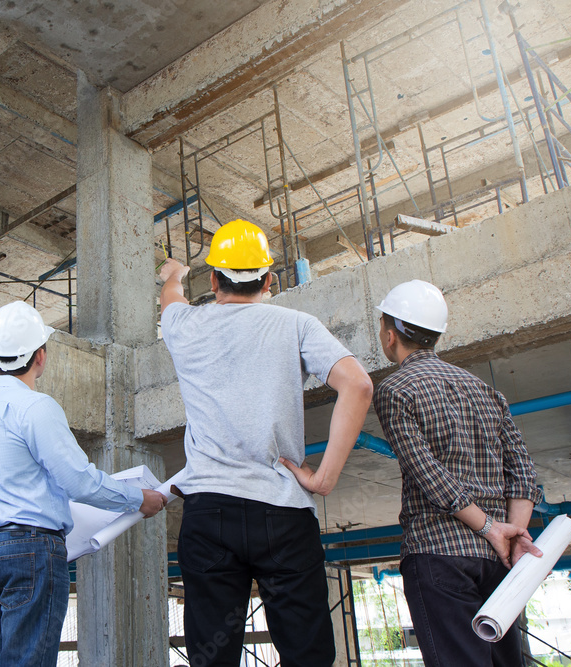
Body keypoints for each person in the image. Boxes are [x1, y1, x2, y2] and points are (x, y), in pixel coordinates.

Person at [158, 219, 374, 667]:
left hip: (209, 513)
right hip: (283, 514)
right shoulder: (296, 324)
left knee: (211, 657)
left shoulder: (185, 325)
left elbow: (171, 301)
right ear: (269, 280)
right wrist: (324, 478)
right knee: (307, 654)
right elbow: (357, 385)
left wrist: (175, 275)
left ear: (214, 279)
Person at [0, 300, 167, 667]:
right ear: (40, 356)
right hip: (32, 551)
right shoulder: (37, 408)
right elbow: (79, 482)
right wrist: (138, 500)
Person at [372, 279, 544, 667]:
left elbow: (428, 475)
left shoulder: (395, 389)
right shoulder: (485, 391)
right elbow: (522, 472)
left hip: (438, 554)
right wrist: (511, 533)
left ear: (388, 334)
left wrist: (489, 528)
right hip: (499, 561)